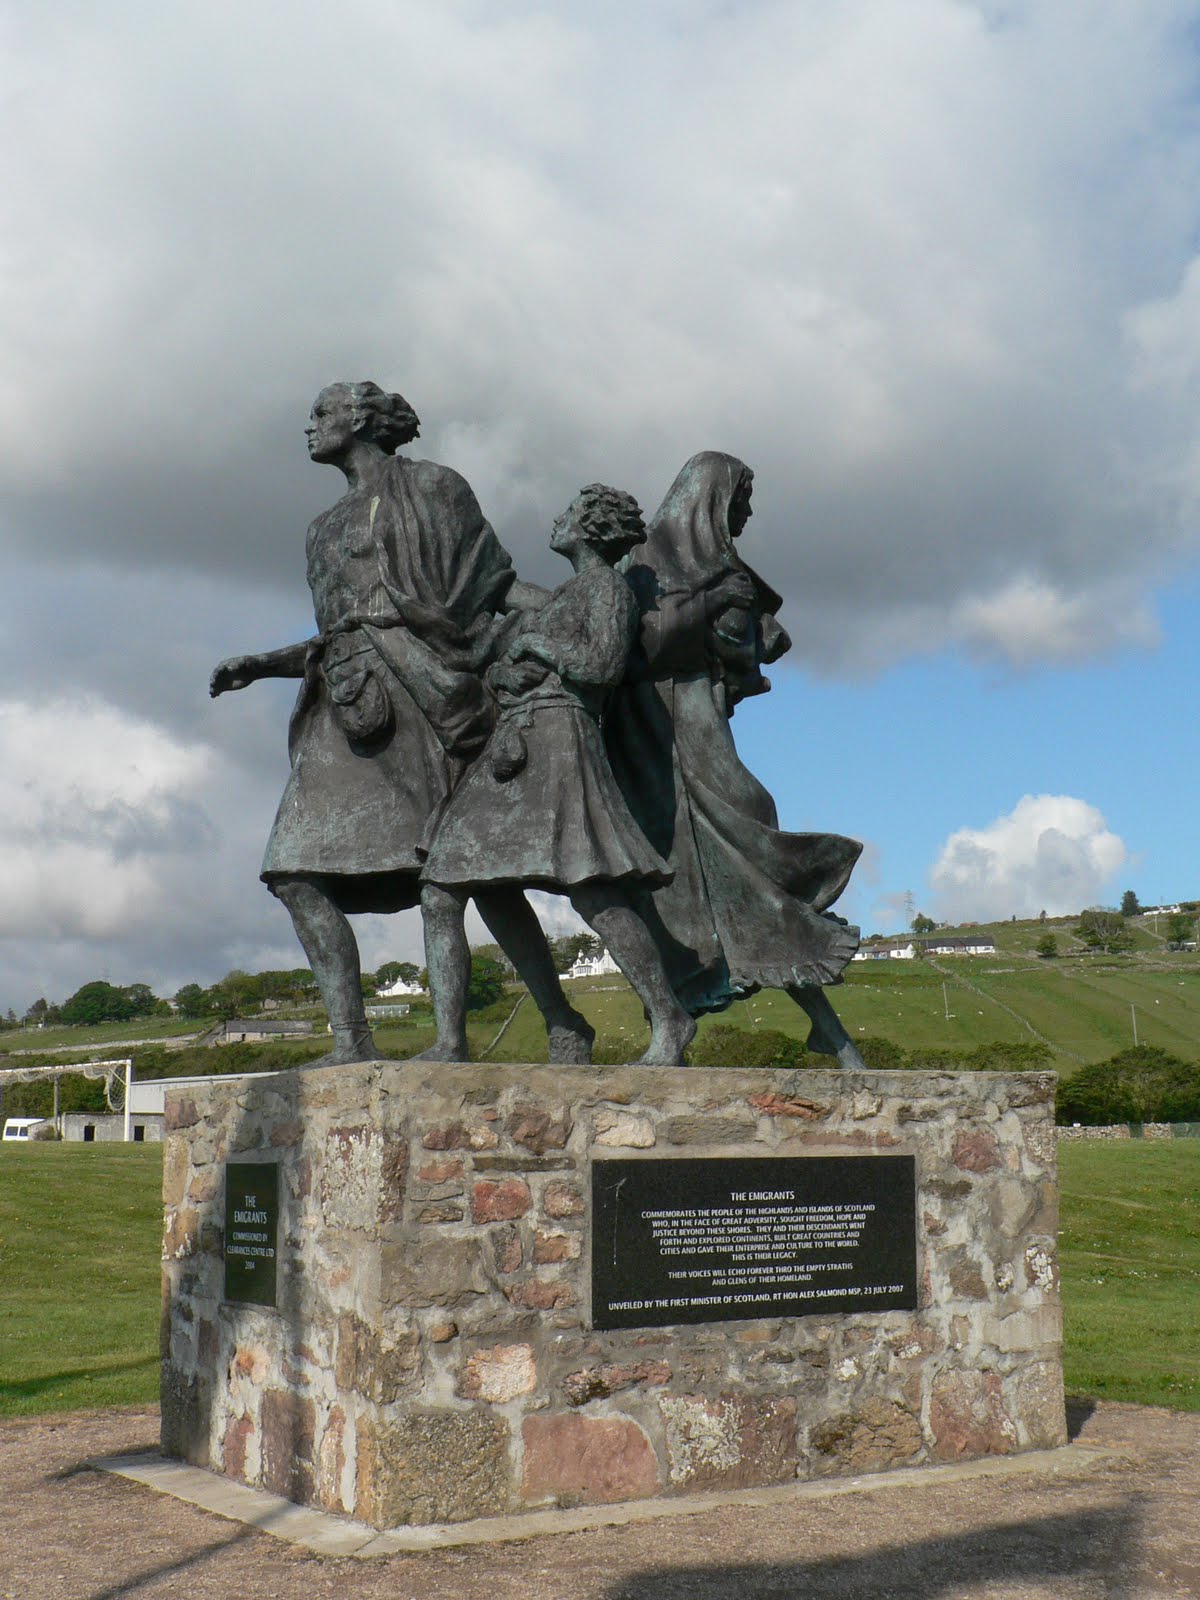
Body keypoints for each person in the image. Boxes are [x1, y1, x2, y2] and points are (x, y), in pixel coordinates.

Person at [210, 381, 592, 1065]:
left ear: (359, 419)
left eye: (319, 414)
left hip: (424, 692)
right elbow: (334, 632)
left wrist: (575, 613)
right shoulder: (321, 529)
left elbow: (491, 587)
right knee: (293, 873)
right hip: (344, 701)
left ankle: (560, 1021)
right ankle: (350, 1041)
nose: (309, 427)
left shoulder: (434, 487)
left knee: (476, 877)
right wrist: (262, 664)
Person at [605, 450, 868, 1066]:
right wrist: (718, 603)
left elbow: (743, 649)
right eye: (741, 502)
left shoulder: (719, 573)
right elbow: (649, 643)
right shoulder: (643, 564)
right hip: (650, 736)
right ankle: (672, 1031)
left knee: (746, 864)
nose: (746, 515)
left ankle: (828, 1030)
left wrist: (743, 622)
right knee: (664, 887)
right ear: (712, 501)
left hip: (691, 727)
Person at [421, 485, 697, 1066]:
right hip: (517, 740)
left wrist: (536, 643)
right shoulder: (569, 592)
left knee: (588, 884)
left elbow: (599, 666)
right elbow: (522, 661)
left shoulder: (606, 588)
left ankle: (669, 1017)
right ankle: (460, 1040)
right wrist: (506, 676)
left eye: (567, 511)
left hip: (562, 738)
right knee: (452, 881)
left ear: (589, 527)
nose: (556, 517)